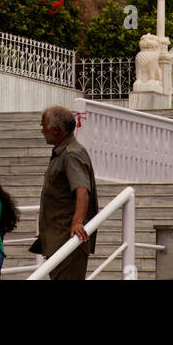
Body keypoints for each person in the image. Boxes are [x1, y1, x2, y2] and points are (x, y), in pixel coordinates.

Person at [38, 106, 98, 281]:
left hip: (67, 241)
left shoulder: (72, 154)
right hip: (57, 240)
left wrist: (78, 222)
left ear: (56, 130)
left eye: (43, 126)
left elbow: (82, 190)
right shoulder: (63, 152)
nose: (42, 131)